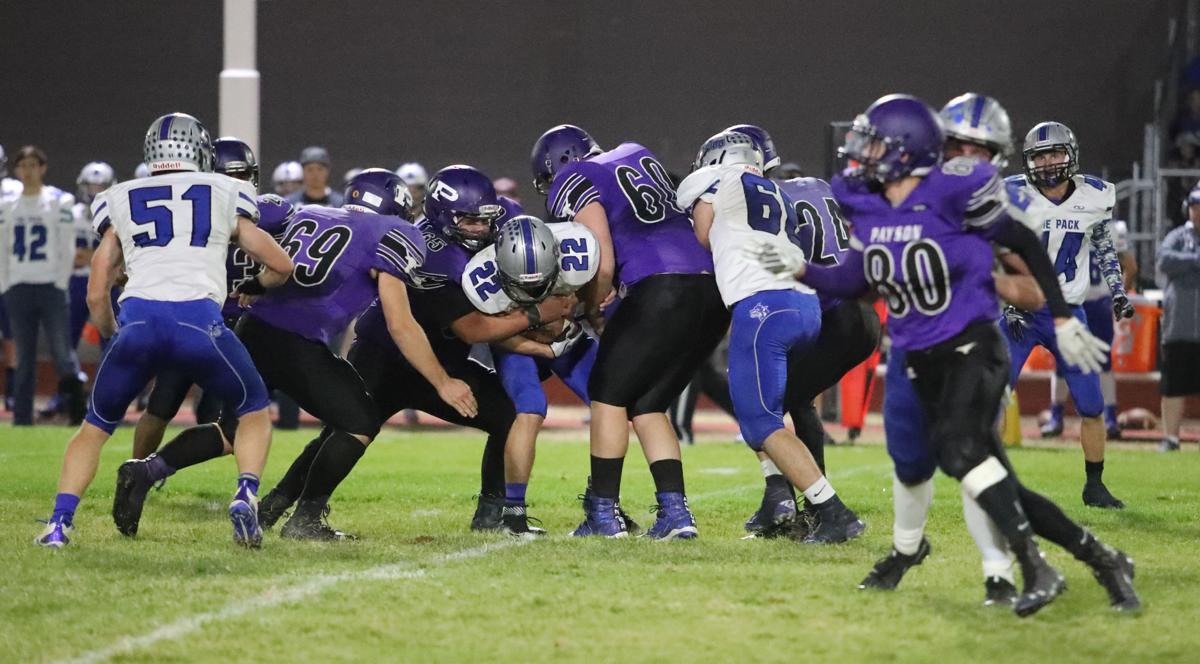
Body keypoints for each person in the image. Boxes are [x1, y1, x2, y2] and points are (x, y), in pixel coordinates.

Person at [751, 94, 1137, 615]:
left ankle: (1023, 566)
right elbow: (858, 278)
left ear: (907, 150)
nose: (860, 152)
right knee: (930, 469)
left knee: (963, 455)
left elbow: (1023, 245)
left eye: (875, 142)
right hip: (912, 355)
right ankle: (1098, 557)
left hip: (969, 346)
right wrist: (800, 269)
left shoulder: (960, 191)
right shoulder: (867, 199)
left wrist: (1063, 315)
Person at [113, 168, 474, 541]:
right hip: (295, 342)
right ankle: (306, 519)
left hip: (251, 331)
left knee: (233, 432)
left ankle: (147, 470)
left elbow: (232, 235)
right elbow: (401, 324)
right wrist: (442, 382)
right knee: (360, 421)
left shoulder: (304, 213)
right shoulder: (392, 232)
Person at [254, 166, 575, 535]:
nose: (480, 229)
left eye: (484, 219)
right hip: (386, 359)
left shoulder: (497, 217)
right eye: (468, 220)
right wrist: (536, 313)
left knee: (507, 414)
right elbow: (473, 328)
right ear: (442, 216)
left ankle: (492, 514)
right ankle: (283, 508)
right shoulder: (426, 253)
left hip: (442, 362)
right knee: (345, 432)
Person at [34, 112, 295, 548]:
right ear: (201, 151)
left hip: (139, 319)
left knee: (94, 428)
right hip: (200, 321)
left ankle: (59, 525)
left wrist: (114, 333)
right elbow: (281, 265)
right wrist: (255, 285)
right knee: (252, 408)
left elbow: (97, 292)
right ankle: (246, 493)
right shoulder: (226, 190)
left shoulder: (119, 196)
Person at [533, 124, 730, 539]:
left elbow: (601, 260)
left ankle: (603, 516)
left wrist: (589, 308)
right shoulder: (637, 151)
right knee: (648, 403)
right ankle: (676, 515)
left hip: (659, 285)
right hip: (712, 290)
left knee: (608, 395)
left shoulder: (573, 178)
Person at [677, 130, 865, 543]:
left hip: (763, 307)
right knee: (769, 410)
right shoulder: (777, 192)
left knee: (761, 422)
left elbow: (705, 237)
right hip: (805, 306)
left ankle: (832, 511)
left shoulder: (716, 181)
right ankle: (780, 501)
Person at [127, 137, 293, 461]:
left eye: (243, 176)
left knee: (236, 414)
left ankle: (241, 485)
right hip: (197, 316)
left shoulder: (272, 213)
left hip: (246, 325)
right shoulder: (190, 216)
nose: (238, 184)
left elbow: (289, 261)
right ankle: (135, 472)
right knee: (162, 403)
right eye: (229, 176)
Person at [1003, 122, 1130, 508]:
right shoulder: (1013, 195)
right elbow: (990, 247)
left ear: (1070, 155)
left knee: (1092, 405)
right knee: (992, 398)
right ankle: (993, 488)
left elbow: (1106, 248)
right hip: (1019, 313)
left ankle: (1095, 485)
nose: (1046, 162)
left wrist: (1119, 292)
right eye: (1039, 155)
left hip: (1068, 313)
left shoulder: (1093, 196)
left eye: (1054, 153)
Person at [462, 214, 604, 534]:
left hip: (568, 337)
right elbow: (492, 333)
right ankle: (513, 514)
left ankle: (603, 504)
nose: (535, 291)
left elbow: (596, 288)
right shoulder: (481, 280)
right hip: (519, 344)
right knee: (529, 408)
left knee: (610, 400)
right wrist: (541, 347)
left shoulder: (578, 250)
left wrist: (577, 309)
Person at [0, 146, 84, 426]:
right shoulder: (7, 206)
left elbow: (66, 246)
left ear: (43, 167)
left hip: (50, 285)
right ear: (16, 170)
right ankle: (22, 419)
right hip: (19, 286)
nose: (28, 170)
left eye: (33, 164)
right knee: (24, 357)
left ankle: (76, 412)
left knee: (62, 353)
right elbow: (2, 248)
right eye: (22, 165)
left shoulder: (59, 200)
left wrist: (60, 282)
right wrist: (6, 284)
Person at [1043, 219, 1138, 439]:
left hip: (1090, 304)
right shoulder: (1102, 227)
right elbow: (1131, 267)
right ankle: (1106, 417)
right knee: (1068, 359)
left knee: (1096, 361)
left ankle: (1062, 416)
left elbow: (1130, 267)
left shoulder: (1106, 228)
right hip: (1081, 302)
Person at [1157, 184, 1200, 451]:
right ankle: (1171, 437)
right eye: (1195, 207)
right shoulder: (1176, 236)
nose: (1198, 212)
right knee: (1173, 385)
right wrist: (1196, 260)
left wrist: (1186, 264)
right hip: (1179, 326)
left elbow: (1175, 263)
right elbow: (1164, 261)